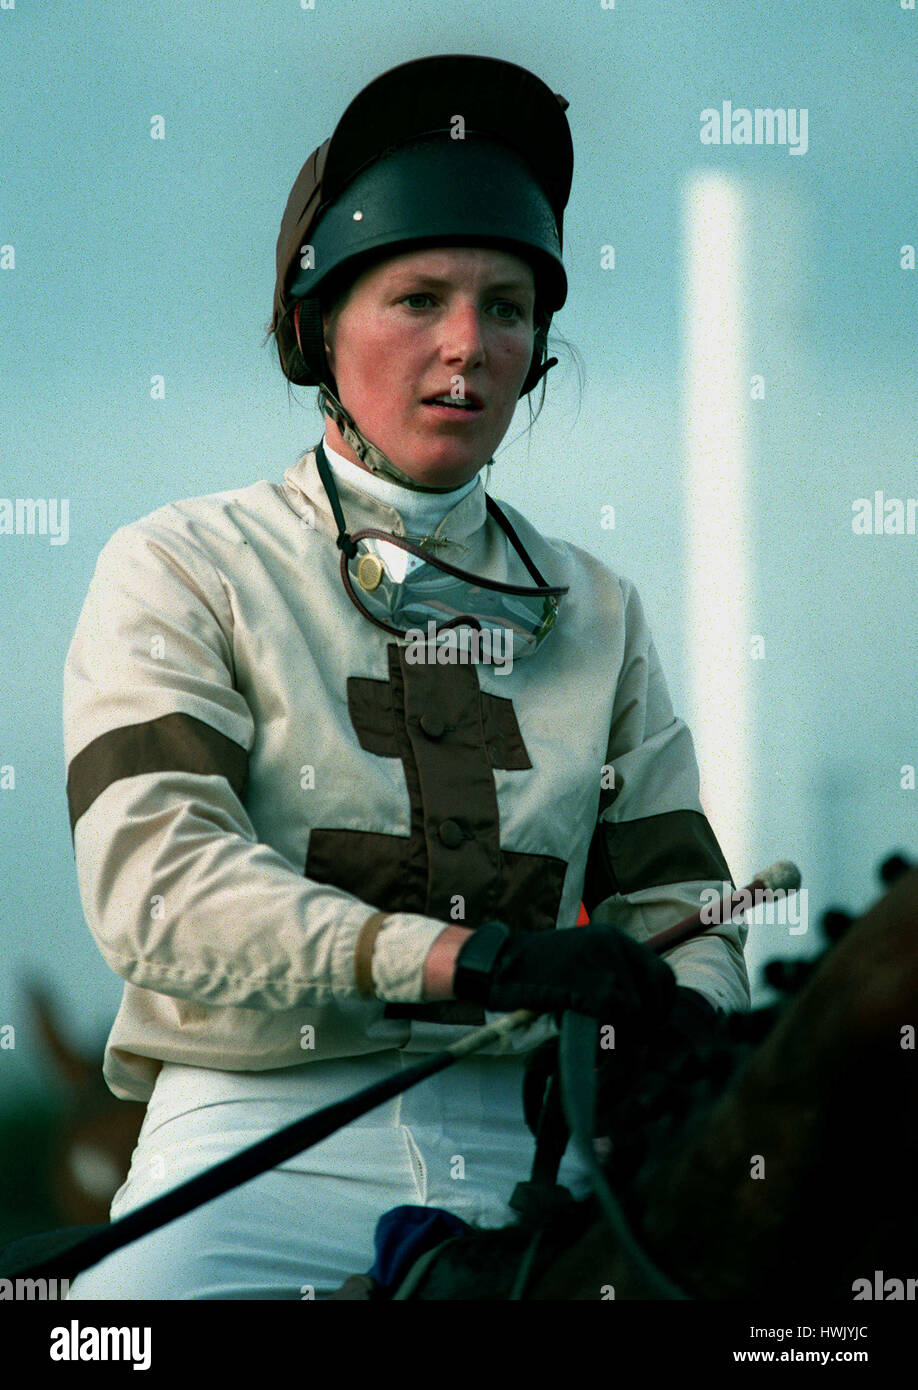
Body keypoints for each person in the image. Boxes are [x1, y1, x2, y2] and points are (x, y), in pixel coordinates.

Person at [63, 54, 749, 1301]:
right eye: (418, 299)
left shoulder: (599, 608)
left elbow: (685, 900)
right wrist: (464, 961)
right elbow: (158, 888)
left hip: (547, 1146)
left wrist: (683, 1007)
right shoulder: (179, 563)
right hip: (259, 1141)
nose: (466, 348)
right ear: (321, 323)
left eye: (505, 308)